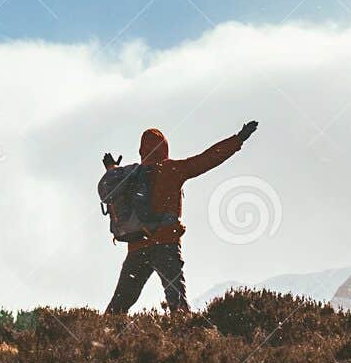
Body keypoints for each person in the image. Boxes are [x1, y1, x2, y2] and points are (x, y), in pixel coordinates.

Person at [104, 120, 259, 315]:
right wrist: (238, 139)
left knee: (118, 306)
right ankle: (185, 338)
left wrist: (112, 168)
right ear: (164, 148)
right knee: (177, 304)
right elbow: (207, 159)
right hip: (165, 244)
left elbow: (117, 194)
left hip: (137, 246)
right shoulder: (172, 170)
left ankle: (99, 341)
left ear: (142, 150)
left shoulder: (130, 175)